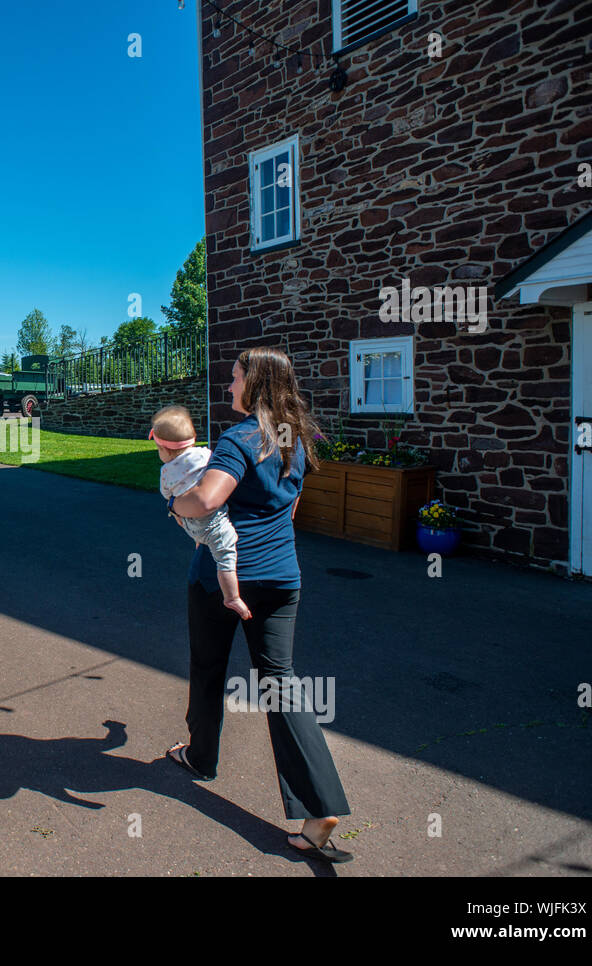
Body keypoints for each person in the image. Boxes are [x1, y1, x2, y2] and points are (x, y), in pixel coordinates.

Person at [166, 346, 353, 863]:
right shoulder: (301, 435)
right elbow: (290, 507)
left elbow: (206, 499)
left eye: (234, 378)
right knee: (280, 680)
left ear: (256, 383)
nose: (229, 387)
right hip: (282, 576)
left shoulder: (239, 438)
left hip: (223, 579)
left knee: (207, 668)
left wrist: (173, 504)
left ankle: (200, 758)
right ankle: (319, 811)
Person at [150, 405, 251, 621]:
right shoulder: (206, 455)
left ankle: (201, 544)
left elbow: (167, 495)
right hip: (214, 523)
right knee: (225, 557)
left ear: (166, 450)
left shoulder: (166, 472)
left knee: (180, 516)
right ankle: (232, 596)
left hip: (190, 524)